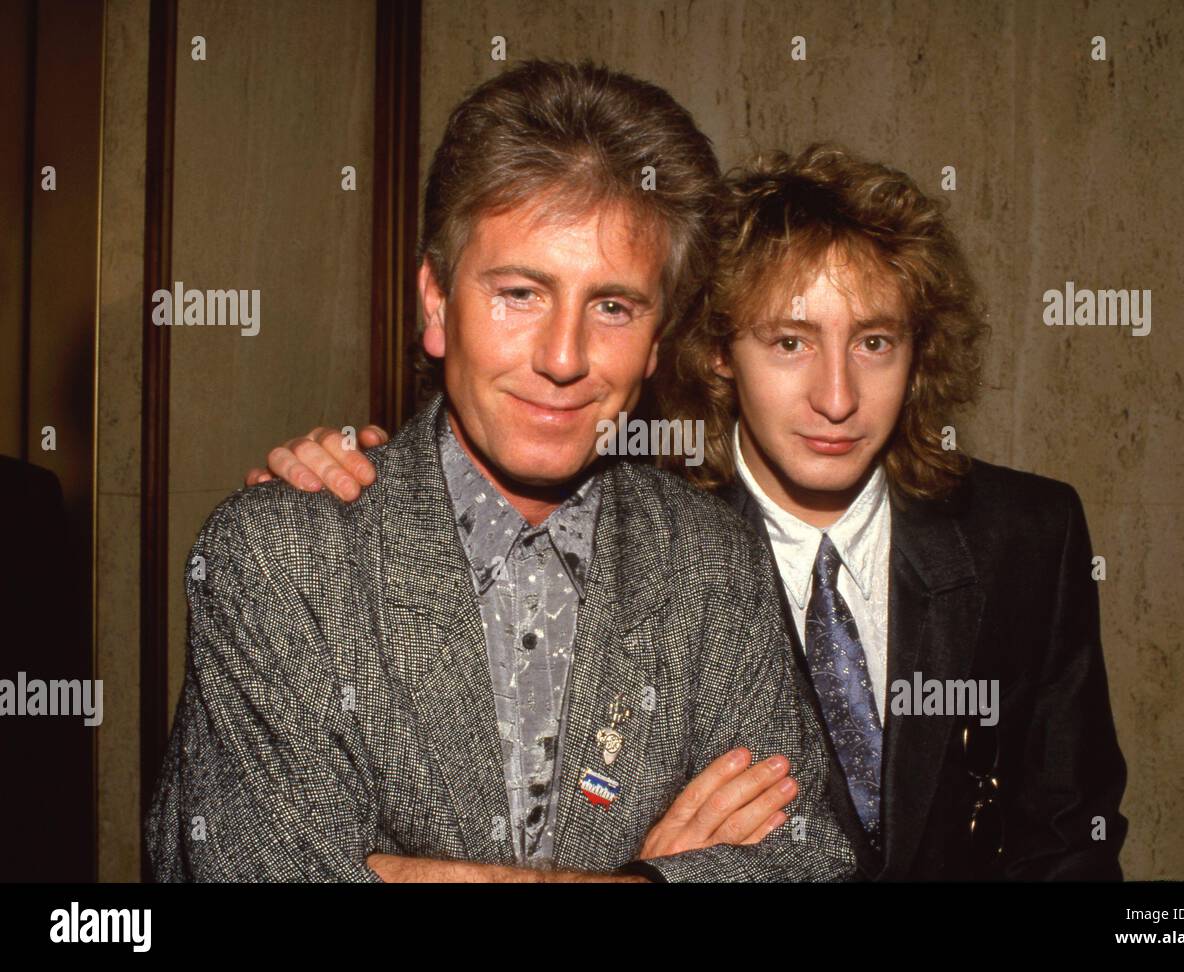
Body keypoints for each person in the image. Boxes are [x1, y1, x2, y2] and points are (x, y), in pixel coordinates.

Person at [257, 144, 1129, 880]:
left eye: (874, 342)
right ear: (716, 353)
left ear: (917, 352)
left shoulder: (1027, 537)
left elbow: (1072, 837)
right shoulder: (657, 544)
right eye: (789, 342)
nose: (836, 396)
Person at [147, 60, 856, 883]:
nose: (563, 358)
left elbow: (806, 862)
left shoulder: (712, 563)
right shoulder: (281, 556)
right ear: (437, 304)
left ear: (658, 339)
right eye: (520, 293)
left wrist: (406, 873)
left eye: (614, 306)